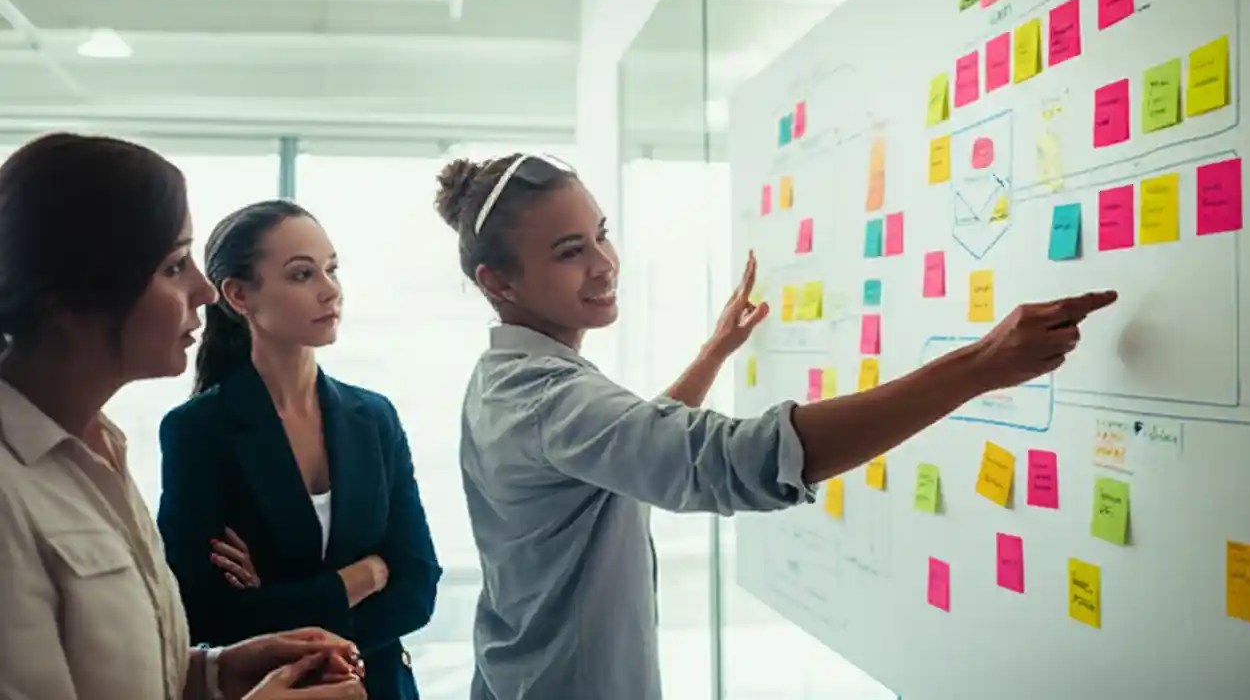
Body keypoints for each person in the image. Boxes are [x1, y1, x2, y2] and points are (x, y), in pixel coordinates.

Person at [434, 152, 1119, 700]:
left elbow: (632, 451)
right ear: (499, 282)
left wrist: (712, 355)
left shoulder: (512, 381)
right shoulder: (541, 396)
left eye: (602, 234)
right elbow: (729, 462)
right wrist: (978, 366)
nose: (605, 264)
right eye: (568, 251)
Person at [0, 132, 367, 700]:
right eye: (174, 266)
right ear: (69, 302)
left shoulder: (99, 449)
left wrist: (214, 673)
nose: (203, 290)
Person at [157, 200, 443, 700]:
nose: (329, 289)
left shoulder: (374, 418)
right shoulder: (199, 431)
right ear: (239, 295)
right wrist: (361, 577)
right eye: (301, 275)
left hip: (382, 689)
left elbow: (417, 588)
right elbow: (206, 612)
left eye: (331, 269)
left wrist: (277, 598)